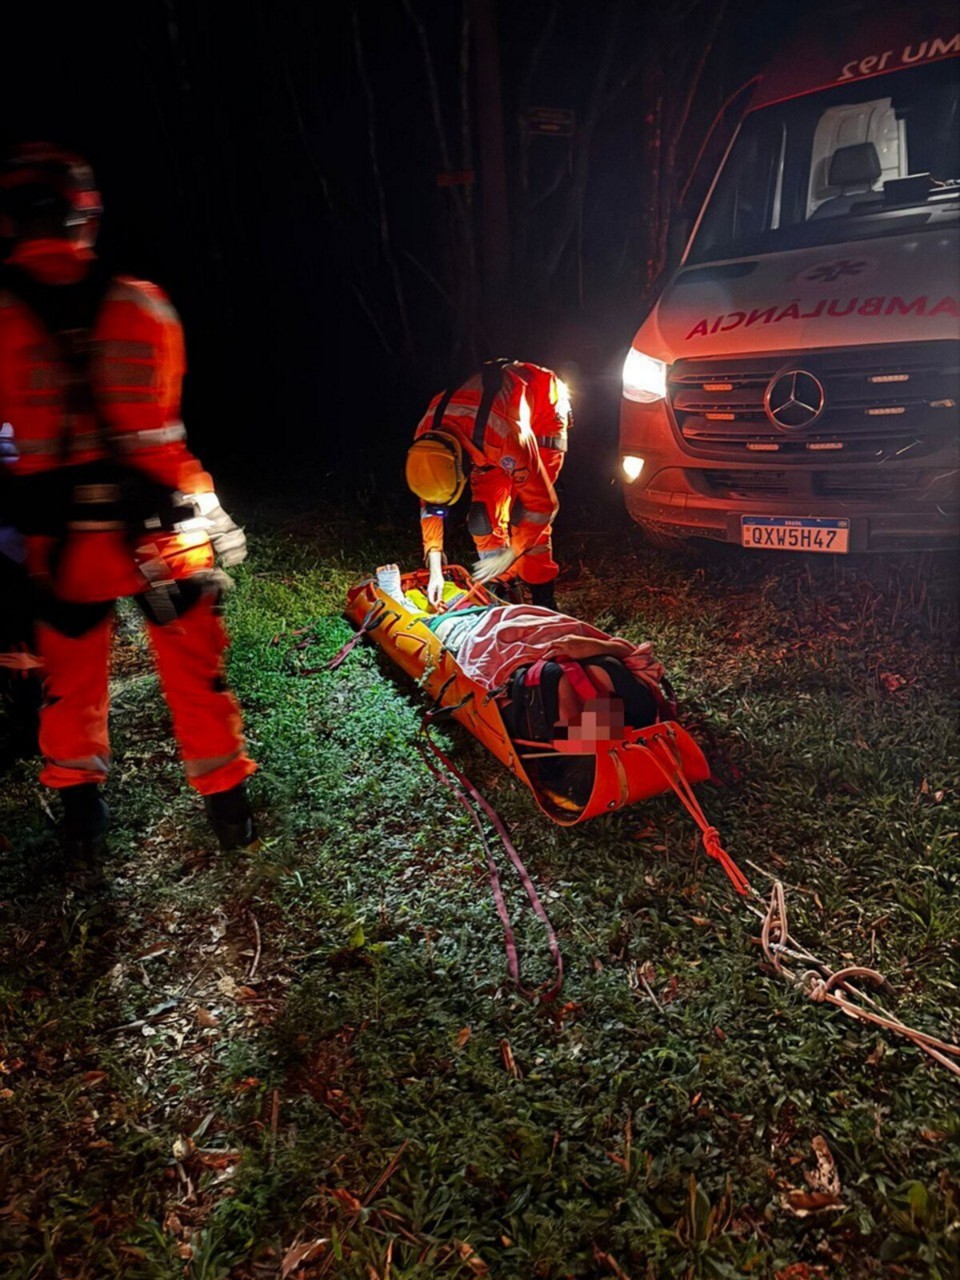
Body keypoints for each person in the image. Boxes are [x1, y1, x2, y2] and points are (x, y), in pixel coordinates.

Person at [0, 142, 256, 859]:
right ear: (85, 214)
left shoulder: (4, 321)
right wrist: (212, 510)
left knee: (71, 684)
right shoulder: (145, 305)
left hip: (63, 545)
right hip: (164, 530)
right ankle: (231, 813)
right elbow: (167, 431)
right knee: (196, 672)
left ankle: (83, 823)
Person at [405, 359, 571, 611]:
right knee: (482, 519)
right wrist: (435, 566)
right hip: (484, 437)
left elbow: (544, 505)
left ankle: (543, 597)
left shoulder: (507, 436)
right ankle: (502, 586)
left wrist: (513, 552)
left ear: (462, 468)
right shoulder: (427, 444)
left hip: (542, 410)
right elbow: (431, 505)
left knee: (523, 515)